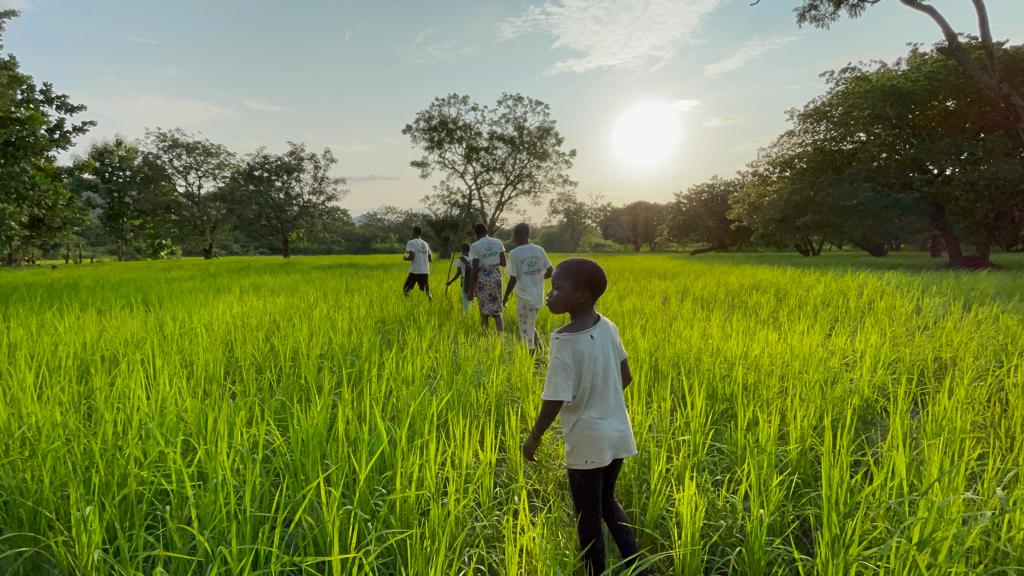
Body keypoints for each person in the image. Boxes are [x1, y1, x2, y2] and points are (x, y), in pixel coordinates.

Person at [522, 258, 646, 576]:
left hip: (587, 442)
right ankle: (639, 567)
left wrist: (533, 438)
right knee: (608, 502)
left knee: (587, 521)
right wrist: (604, 402)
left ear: (582, 295)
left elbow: (554, 398)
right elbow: (626, 376)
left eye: (558, 288)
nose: (550, 294)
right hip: (617, 431)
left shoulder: (564, 340)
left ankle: (596, 572)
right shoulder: (608, 325)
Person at [503, 223, 553, 350]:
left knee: (525, 329)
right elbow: (551, 271)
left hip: (525, 297)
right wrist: (538, 278)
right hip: (537, 297)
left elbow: (512, 278)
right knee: (530, 325)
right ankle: (541, 350)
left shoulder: (515, 253)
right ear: (528, 234)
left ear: (515, 236)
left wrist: (505, 296)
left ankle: (532, 358)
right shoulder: (539, 249)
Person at [468, 223, 506, 332]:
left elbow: (474, 269)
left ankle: (485, 336)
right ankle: (500, 337)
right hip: (496, 277)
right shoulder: (498, 242)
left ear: (476, 234)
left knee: (483, 310)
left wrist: (471, 289)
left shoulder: (475, 246)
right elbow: (503, 263)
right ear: (487, 232)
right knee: (497, 311)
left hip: (483, 279)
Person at [403, 225, 432, 301]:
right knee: (427, 292)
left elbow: (412, 257)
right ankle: (431, 304)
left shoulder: (411, 242)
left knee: (406, 290)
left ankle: (410, 303)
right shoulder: (426, 244)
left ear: (414, 232)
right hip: (425, 271)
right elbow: (430, 258)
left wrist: (405, 258)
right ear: (420, 234)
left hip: (415, 271)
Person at [445, 243, 472, 313]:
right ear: (469, 250)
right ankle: (471, 313)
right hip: (473, 281)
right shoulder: (473, 259)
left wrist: (450, 282)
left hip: (465, 281)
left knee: (465, 299)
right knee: (471, 297)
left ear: (462, 250)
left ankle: (466, 314)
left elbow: (457, 274)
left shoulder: (461, 260)